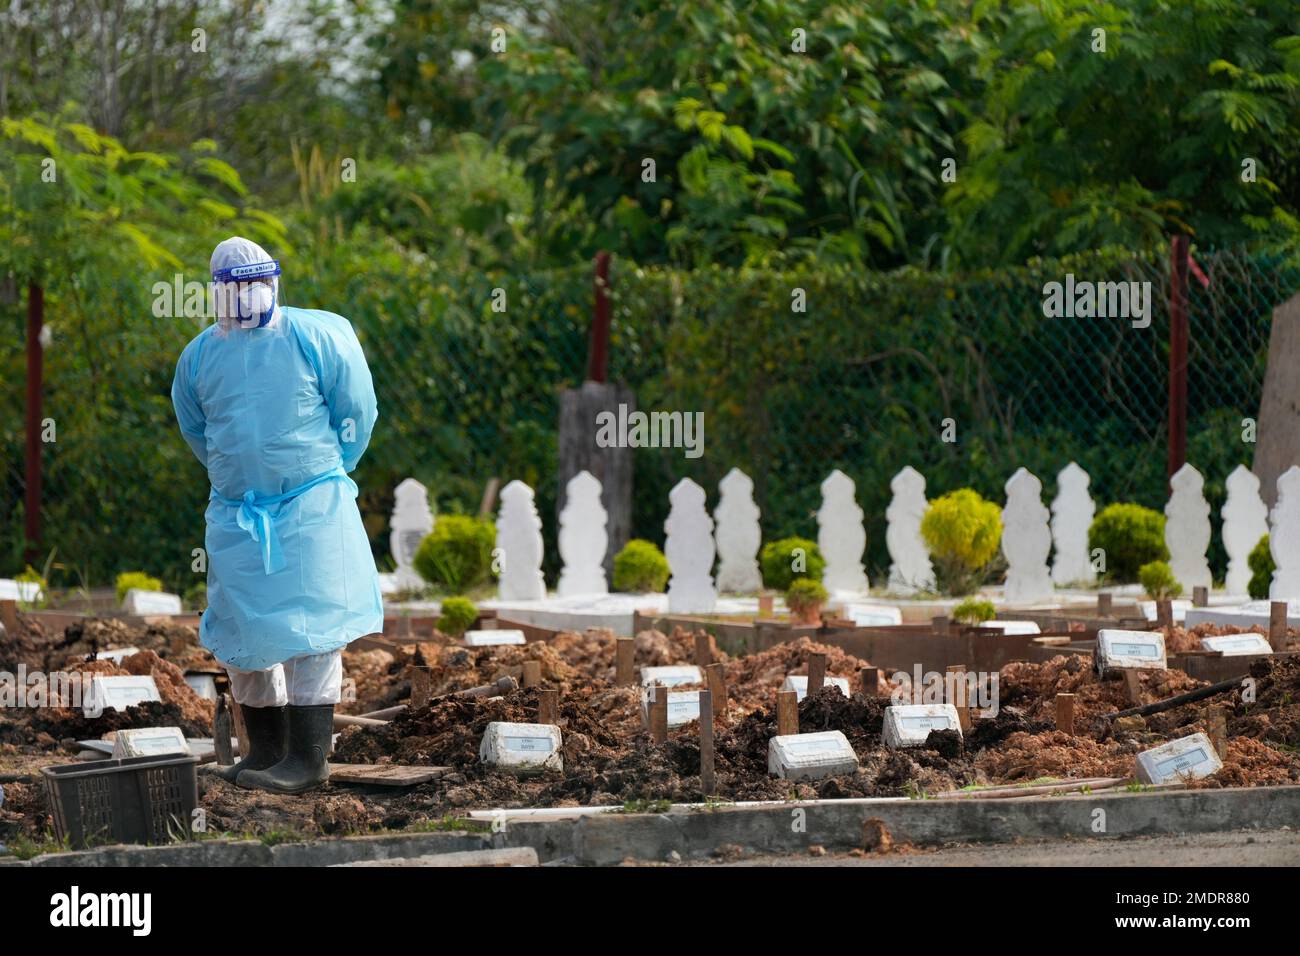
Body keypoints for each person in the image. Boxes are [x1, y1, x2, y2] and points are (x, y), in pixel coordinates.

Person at [171, 237, 382, 794]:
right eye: (237, 287)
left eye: (260, 282)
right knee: (242, 635)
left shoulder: (319, 335)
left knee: (313, 635)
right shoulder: (198, 357)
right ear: (216, 293)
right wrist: (240, 480)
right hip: (238, 516)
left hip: (312, 507)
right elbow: (198, 432)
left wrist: (319, 475)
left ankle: (309, 761)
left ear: (276, 281)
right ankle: (264, 750)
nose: (250, 295)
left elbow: (357, 412)